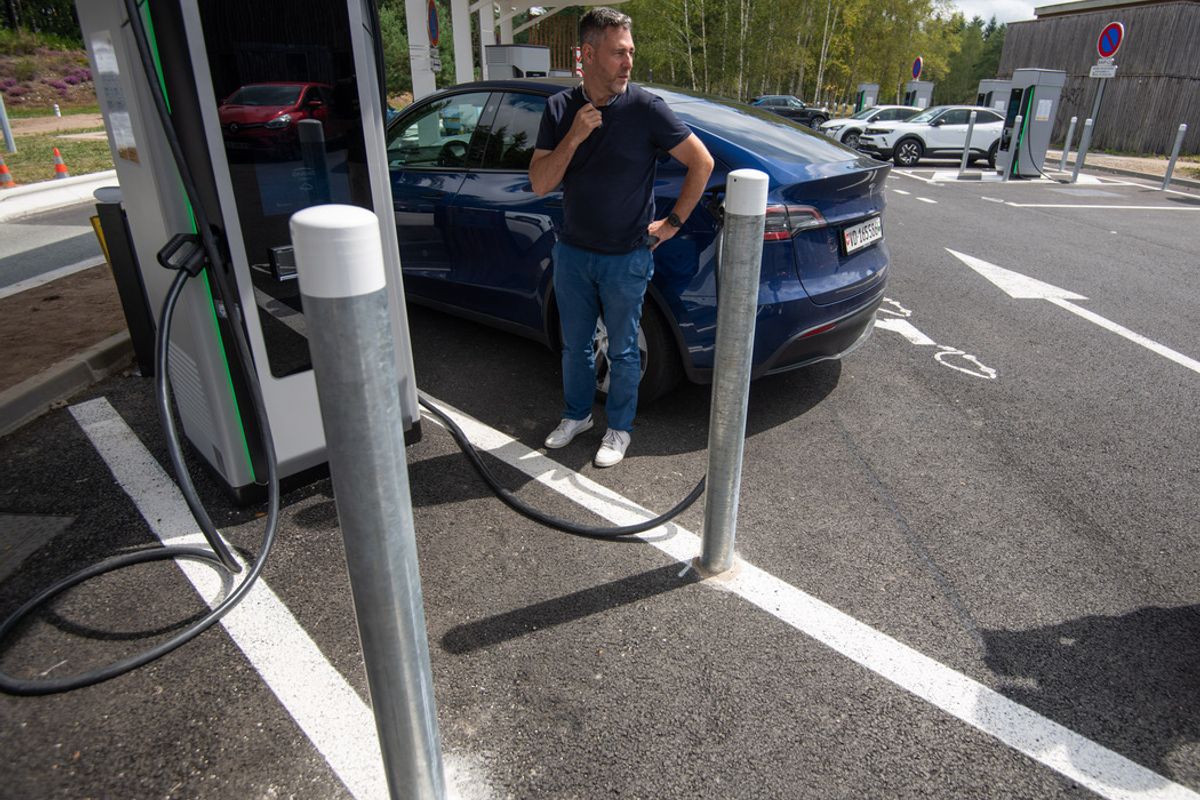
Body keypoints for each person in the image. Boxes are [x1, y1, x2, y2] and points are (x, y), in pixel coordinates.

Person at [529, 7, 714, 468]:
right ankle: (576, 416)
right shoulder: (559, 109)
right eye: (618, 53)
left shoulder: (646, 109)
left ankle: (618, 429)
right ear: (588, 54)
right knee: (575, 346)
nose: (628, 62)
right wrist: (574, 136)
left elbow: (702, 162)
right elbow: (540, 182)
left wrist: (671, 224)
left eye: (631, 52)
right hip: (572, 253)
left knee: (625, 349)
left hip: (626, 257)